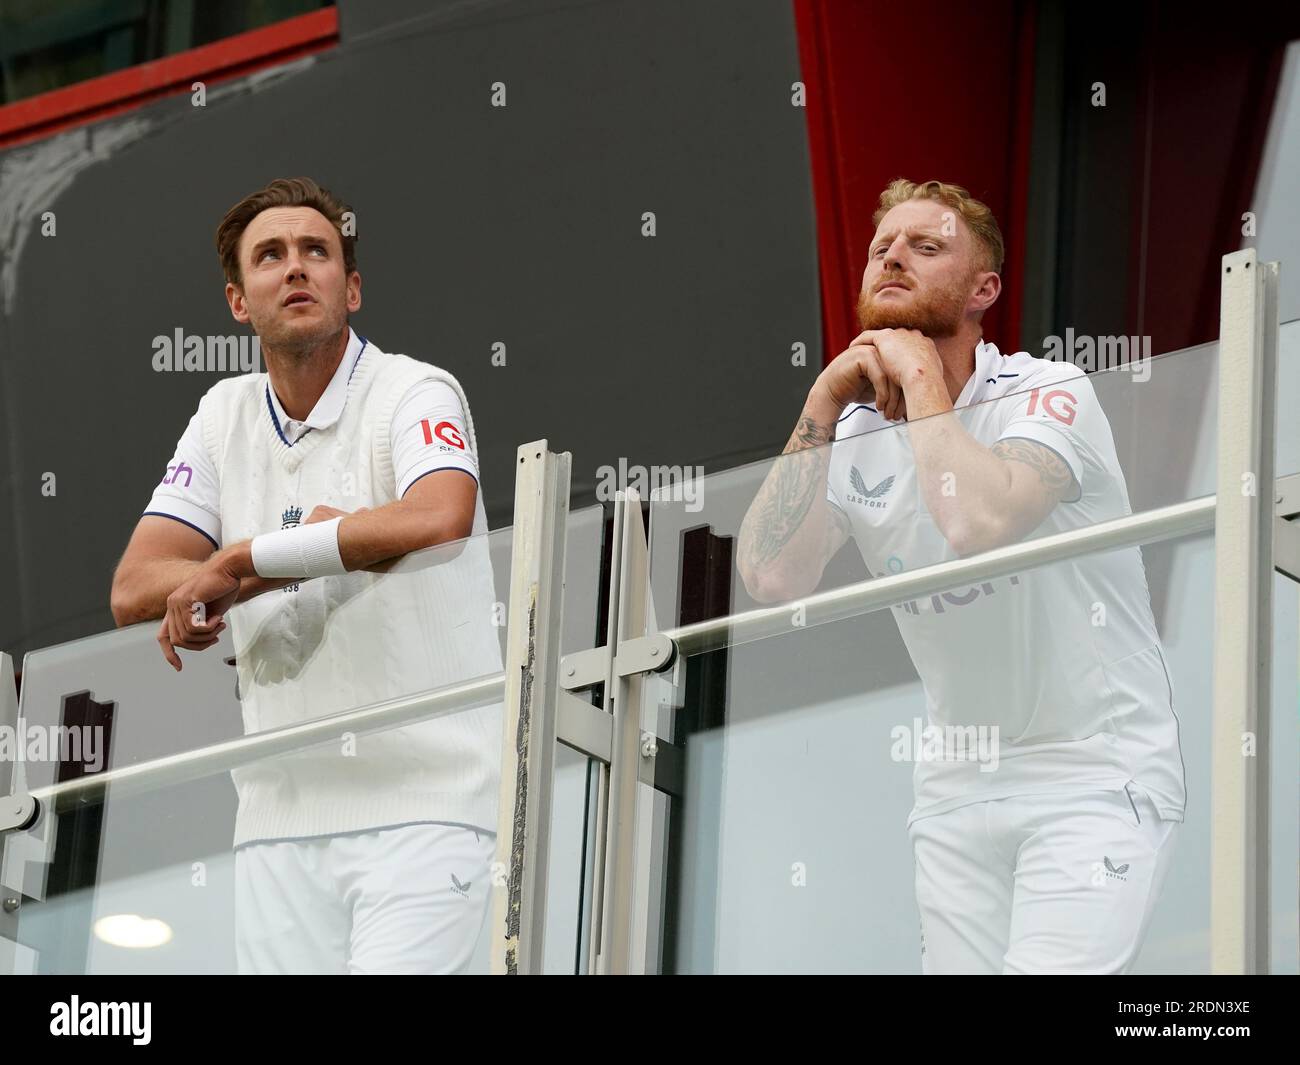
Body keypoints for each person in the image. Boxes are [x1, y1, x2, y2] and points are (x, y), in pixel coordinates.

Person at [737, 178, 1185, 974]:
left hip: (1095, 768)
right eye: (881, 248)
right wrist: (819, 402)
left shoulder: (1046, 390)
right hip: (955, 784)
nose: (893, 258)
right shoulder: (853, 429)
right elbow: (771, 575)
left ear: (986, 289)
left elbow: (976, 521)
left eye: (926, 245)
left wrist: (921, 382)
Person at [110, 177, 501, 974]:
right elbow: (134, 585)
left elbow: (439, 515)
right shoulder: (222, 414)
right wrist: (240, 568)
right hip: (275, 817)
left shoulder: (413, 389)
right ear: (236, 302)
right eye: (271, 256)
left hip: (431, 806)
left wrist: (241, 560)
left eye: (316, 252)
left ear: (350, 287)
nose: (296, 268)